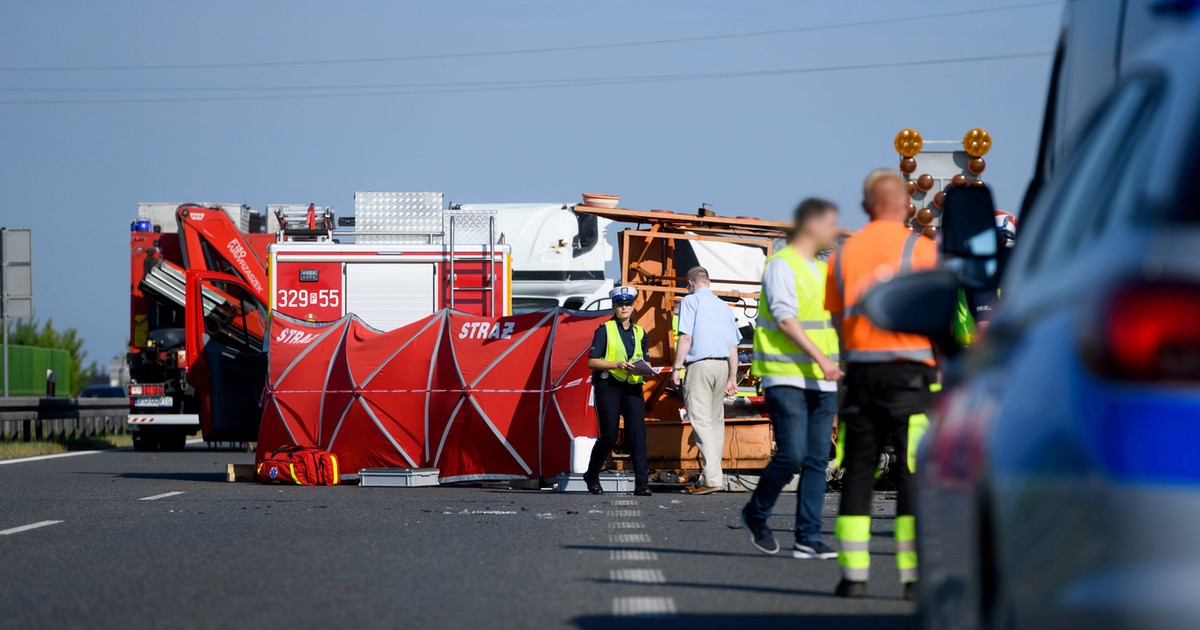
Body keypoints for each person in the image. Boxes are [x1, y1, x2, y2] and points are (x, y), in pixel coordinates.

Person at [825, 169, 939, 599]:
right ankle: (913, 579)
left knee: (858, 472)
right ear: (907, 205)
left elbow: (839, 323)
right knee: (912, 475)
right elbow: (940, 319)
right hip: (912, 378)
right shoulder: (923, 250)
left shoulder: (842, 257)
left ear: (865, 206)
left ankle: (854, 577)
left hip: (861, 377)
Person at [739, 198, 844, 559]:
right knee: (792, 453)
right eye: (830, 224)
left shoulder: (822, 270)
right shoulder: (780, 266)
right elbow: (785, 319)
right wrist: (823, 360)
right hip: (785, 375)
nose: (835, 231)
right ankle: (756, 513)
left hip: (822, 379)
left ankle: (808, 537)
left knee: (817, 458)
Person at [670, 266, 741, 495]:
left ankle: (712, 478)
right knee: (715, 424)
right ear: (708, 282)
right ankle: (709, 476)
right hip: (722, 367)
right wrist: (732, 377)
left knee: (700, 422)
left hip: (699, 366)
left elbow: (686, 337)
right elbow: (733, 347)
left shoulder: (690, 301)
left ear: (690, 284)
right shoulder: (724, 306)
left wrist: (676, 368)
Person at [585, 286, 652, 497]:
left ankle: (642, 484)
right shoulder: (604, 330)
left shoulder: (640, 332)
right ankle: (592, 475)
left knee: (637, 434)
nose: (624, 307)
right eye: (620, 304)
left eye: (628, 303)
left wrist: (646, 369)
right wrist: (616, 364)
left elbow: (646, 359)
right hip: (609, 385)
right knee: (609, 435)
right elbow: (592, 361)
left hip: (632, 385)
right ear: (614, 306)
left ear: (633, 306)